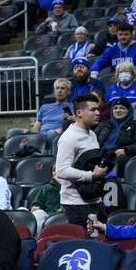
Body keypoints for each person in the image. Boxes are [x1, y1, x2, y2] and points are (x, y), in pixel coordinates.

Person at [56, 93, 110, 224]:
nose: (98, 113)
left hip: (94, 199)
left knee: (99, 240)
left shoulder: (92, 134)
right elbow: (61, 171)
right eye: (93, 110)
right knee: (87, 243)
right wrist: (92, 175)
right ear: (79, 112)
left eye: (98, 109)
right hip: (76, 204)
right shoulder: (69, 138)